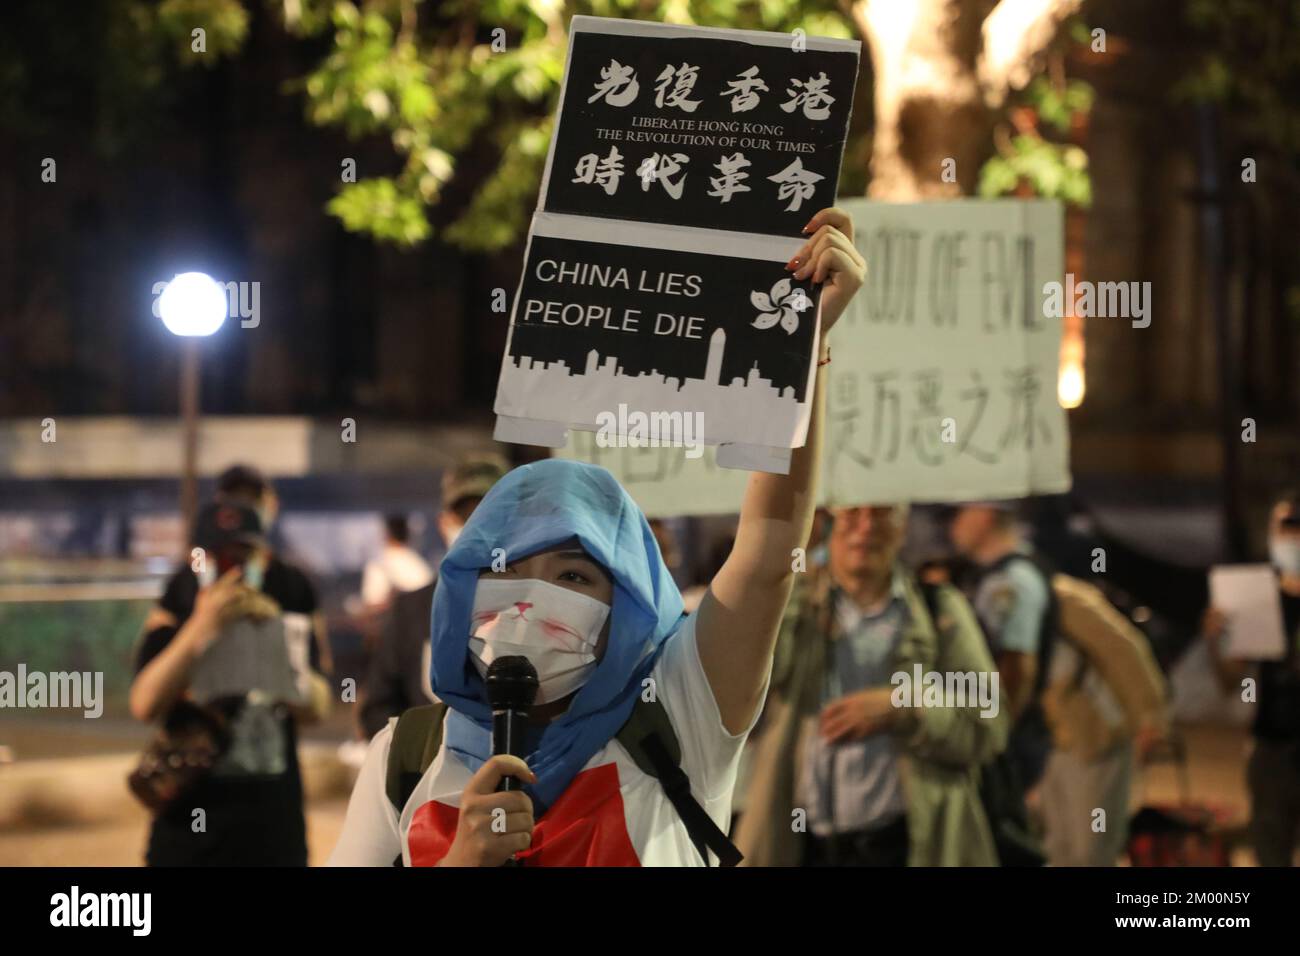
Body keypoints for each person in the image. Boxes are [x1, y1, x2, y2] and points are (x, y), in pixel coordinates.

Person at [328, 206, 865, 867]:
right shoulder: (406, 759)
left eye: (574, 576)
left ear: (627, 606)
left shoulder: (679, 712)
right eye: (506, 568)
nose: (532, 596)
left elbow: (766, 554)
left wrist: (803, 348)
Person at [736, 504, 1007, 866]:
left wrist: (905, 706)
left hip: (904, 844)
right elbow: (743, 686)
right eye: (852, 515)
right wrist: (791, 559)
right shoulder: (793, 603)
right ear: (828, 522)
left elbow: (988, 726)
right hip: (803, 846)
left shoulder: (939, 610)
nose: (865, 528)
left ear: (903, 528)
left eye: (881, 515)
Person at [130, 499, 330, 865]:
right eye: (220, 557)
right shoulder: (173, 624)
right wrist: (200, 628)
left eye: (244, 557)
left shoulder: (284, 622)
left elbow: (317, 707)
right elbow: (144, 703)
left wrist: (275, 644)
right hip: (189, 834)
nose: (233, 569)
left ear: (262, 559)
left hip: (272, 831)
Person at [358, 455, 508, 739]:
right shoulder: (412, 610)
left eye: (490, 514)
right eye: (466, 515)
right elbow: (377, 710)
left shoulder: (535, 601)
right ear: (444, 522)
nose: (477, 526)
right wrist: (428, 756)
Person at [1038, 574, 1168, 866]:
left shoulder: (1063, 597)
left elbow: (1124, 648)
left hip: (1096, 739)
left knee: (1091, 849)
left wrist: (1150, 719)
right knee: (1058, 846)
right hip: (1052, 741)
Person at [1204, 488, 1300, 866]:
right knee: (1270, 853)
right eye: (1284, 528)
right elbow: (1231, 681)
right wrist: (1217, 641)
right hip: (1272, 750)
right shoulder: (1256, 597)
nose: (1291, 538)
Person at [949, 501, 1056, 791]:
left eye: (959, 513)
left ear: (984, 514)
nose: (953, 526)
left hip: (1006, 742)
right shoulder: (996, 575)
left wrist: (994, 736)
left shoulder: (1012, 580)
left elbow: (1017, 667)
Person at [360, 514, 434, 612]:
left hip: (395, 621)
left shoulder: (379, 564)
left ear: (386, 534)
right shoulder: (420, 565)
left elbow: (371, 605)